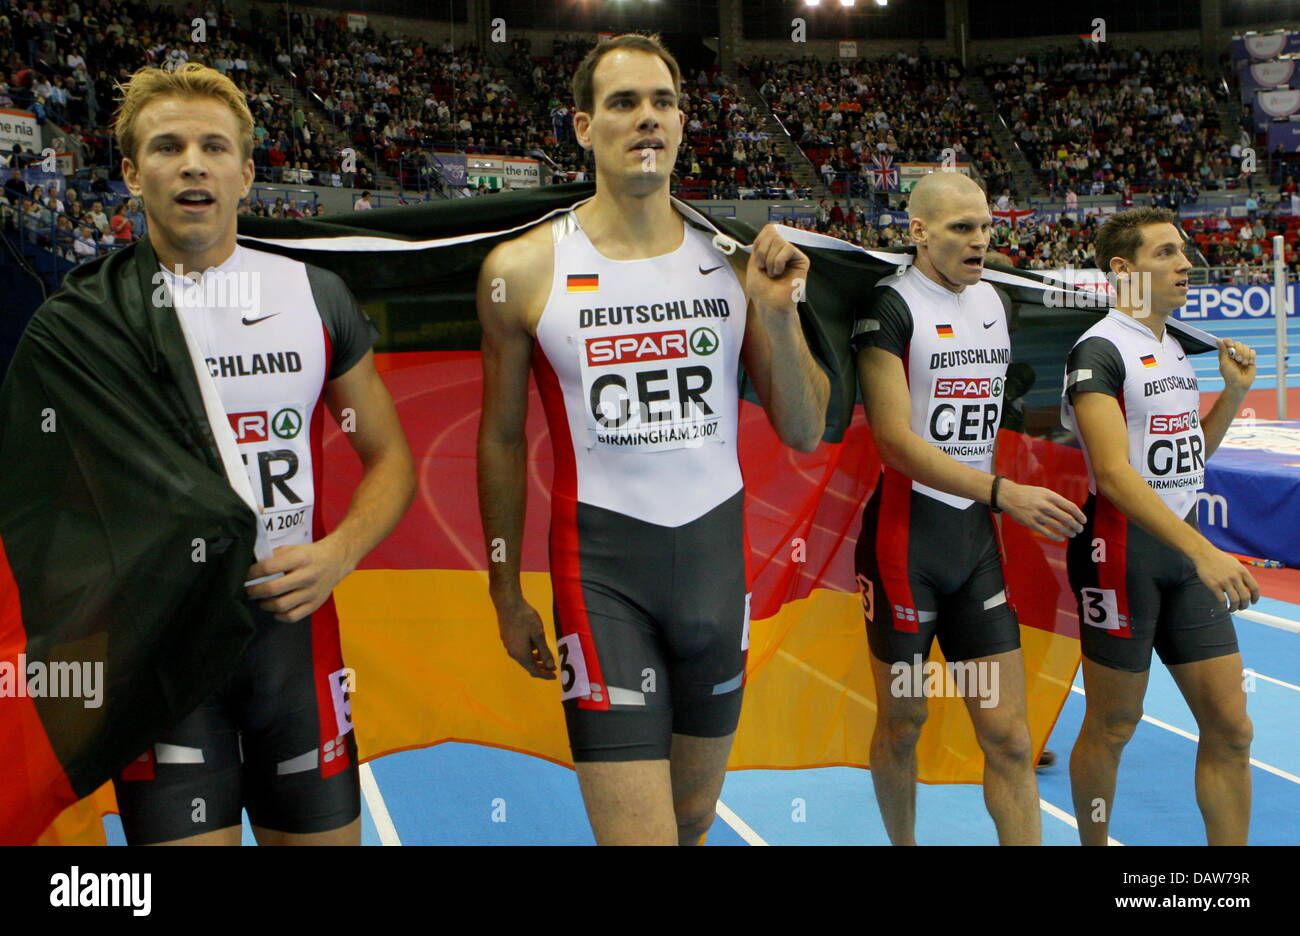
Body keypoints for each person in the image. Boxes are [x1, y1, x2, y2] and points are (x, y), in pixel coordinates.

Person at [476, 34, 829, 846]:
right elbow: (499, 438)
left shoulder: (736, 259)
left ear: (681, 121)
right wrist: (502, 590)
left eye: (662, 102)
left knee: (692, 823)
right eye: (624, 102)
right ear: (580, 126)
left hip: (714, 578)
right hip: (602, 580)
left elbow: (805, 429)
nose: (647, 118)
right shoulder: (524, 269)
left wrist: (779, 314)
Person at [108, 63, 416, 845]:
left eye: (213, 146)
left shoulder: (314, 296)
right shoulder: (89, 316)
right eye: (167, 146)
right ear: (129, 172)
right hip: (162, 658)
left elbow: (390, 459)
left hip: (294, 644)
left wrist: (340, 552)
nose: (191, 163)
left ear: (246, 173)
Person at [851, 171, 1086, 845]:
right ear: (918, 232)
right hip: (905, 544)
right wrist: (1003, 493)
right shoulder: (889, 308)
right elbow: (894, 442)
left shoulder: (994, 302)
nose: (980, 240)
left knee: (1011, 737)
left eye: (986, 225)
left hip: (975, 549)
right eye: (961, 229)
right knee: (904, 722)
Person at [1062, 207, 1258, 845]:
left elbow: (1189, 456)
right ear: (1124, 269)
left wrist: (1229, 395)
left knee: (1231, 727)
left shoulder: (1171, 344)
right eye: (1167, 253)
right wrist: (1204, 551)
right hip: (1120, 552)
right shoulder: (1099, 350)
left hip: (1181, 551)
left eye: (1185, 253)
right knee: (1115, 724)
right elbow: (1116, 477)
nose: (1186, 265)